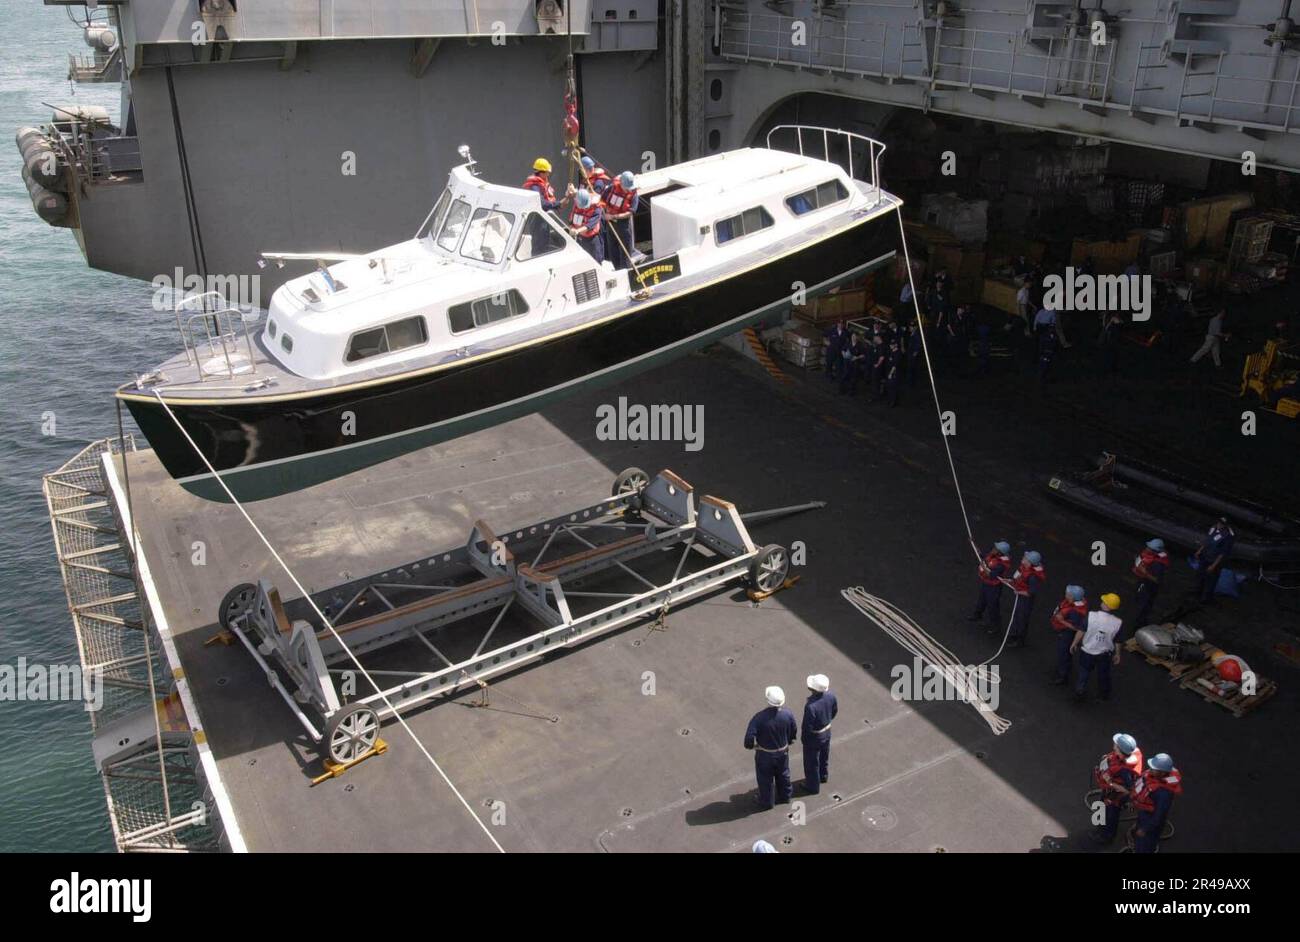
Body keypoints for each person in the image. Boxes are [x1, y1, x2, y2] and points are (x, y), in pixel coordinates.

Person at [744, 685, 799, 810]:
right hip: (782, 752)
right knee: (784, 774)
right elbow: (793, 730)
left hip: (765, 755)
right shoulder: (788, 714)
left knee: (765, 779)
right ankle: (785, 796)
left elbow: (748, 738)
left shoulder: (759, 718)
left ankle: (767, 802)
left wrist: (752, 746)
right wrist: (789, 741)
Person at [1090, 732, 1143, 844]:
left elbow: (1129, 789)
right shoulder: (1125, 755)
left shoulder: (1125, 771)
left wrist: (1110, 782)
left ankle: (1107, 837)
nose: (1114, 744)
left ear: (1120, 750)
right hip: (1108, 791)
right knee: (1100, 806)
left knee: (1111, 816)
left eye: (1116, 744)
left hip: (1115, 796)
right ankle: (1099, 828)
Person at [1072, 593, 1123, 702]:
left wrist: (1074, 643)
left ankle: (1080, 689)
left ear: (1105, 605)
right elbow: (1118, 640)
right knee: (1103, 674)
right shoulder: (1117, 623)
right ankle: (1103, 694)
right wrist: (1118, 654)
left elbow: (1081, 631)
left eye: (1104, 601)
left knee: (1084, 671)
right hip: (1104, 654)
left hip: (1088, 651)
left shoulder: (1091, 616)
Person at [1131, 753, 1182, 853]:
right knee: (1138, 836)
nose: (1150, 769)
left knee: (1145, 846)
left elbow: (1158, 816)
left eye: (1154, 768)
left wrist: (1145, 829)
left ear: (1162, 773)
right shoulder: (1153, 777)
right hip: (1144, 814)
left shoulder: (1163, 794)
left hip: (1150, 821)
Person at [800, 674, 837, 794]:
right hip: (827, 731)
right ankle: (823, 776)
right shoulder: (831, 696)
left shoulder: (811, 706)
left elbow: (807, 727)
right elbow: (834, 711)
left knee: (811, 762)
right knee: (824, 756)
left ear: (813, 689)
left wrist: (804, 739)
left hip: (815, 737)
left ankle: (812, 786)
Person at [969, 541, 1013, 632]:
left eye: (996, 549)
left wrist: (984, 567)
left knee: (992, 605)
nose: (993, 549)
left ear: (1000, 552)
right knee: (981, 600)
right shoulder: (994, 556)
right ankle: (977, 615)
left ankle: (995, 625)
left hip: (994, 587)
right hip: (986, 583)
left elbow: (992, 575)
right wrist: (977, 550)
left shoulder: (1001, 564)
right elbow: (985, 558)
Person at [1049, 584, 1088, 685]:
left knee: (1064, 654)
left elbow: (1076, 627)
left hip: (1067, 635)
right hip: (1063, 633)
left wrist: (1061, 621)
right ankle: (1063, 670)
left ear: (1072, 597)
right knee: (1063, 654)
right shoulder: (1073, 604)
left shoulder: (1075, 612)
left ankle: (1062, 676)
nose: (1065, 594)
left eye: (1067, 594)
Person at [1006, 550, 1046, 648]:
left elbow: (1030, 593)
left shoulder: (1032, 577)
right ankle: (1014, 634)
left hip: (1025, 601)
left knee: (1022, 619)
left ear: (1030, 562)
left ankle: (1019, 640)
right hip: (1021, 597)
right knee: (1017, 617)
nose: (1022, 559)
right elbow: (1017, 578)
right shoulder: (1024, 569)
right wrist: (1010, 581)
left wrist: (1018, 592)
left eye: (1025, 558)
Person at [601, 170, 639, 270]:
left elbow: (630, 212)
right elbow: (602, 200)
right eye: (626, 187)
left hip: (623, 225)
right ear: (621, 183)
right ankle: (617, 270)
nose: (628, 190)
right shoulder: (612, 188)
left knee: (625, 253)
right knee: (613, 251)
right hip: (611, 225)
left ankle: (626, 271)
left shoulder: (633, 194)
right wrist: (604, 211)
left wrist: (614, 216)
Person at [1193, 517, 1235, 603]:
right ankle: (1197, 592)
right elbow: (1207, 541)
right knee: (1200, 575)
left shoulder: (1228, 536)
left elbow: (1223, 553)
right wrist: (1199, 551)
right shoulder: (1214, 529)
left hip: (1214, 561)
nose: (1219, 525)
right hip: (1205, 557)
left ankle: (1205, 598)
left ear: (1225, 526)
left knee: (1210, 580)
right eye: (1219, 523)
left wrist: (1213, 565)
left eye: (1222, 524)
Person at [1131, 538, 1169, 632]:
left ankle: (1139, 625)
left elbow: (1157, 580)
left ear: (1155, 551)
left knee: (1144, 605)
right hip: (1143, 583)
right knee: (1141, 601)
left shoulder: (1158, 565)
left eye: (1149, 548)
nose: (1147, 549)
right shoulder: (1150, 556)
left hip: (1149, 587)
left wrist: (1145, 573)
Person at [567, 188, 605, 262]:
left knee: (596, 261)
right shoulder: (577, 204)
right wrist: (571, 228)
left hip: (592, 240)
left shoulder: (596, 208)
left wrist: (577, 231)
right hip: (580, 239)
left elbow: (590, 225)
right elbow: (571, 221)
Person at [883, 339, 903, 407]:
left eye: (892, 344)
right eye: (891, 344)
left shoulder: (898, 353)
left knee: (893, 387)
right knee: (889, 387)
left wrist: (891, 373)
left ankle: (893, 401)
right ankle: (890, 400)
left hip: (894, 373)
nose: (891, 345)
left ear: (896, 345)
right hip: (889, 371)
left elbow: (895, 365)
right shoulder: (891, 352)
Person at [906, 321, 924, 386]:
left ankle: (913, 383)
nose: (910, 328)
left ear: (915, 327)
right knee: (910, 369)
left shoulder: (916, 335)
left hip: (913, 355)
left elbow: (918, 345)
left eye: (911, 327)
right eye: (910, 327)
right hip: (910, 354)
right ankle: (911, 382)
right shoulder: (912, 334)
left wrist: (914, 354)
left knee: (913, 369)